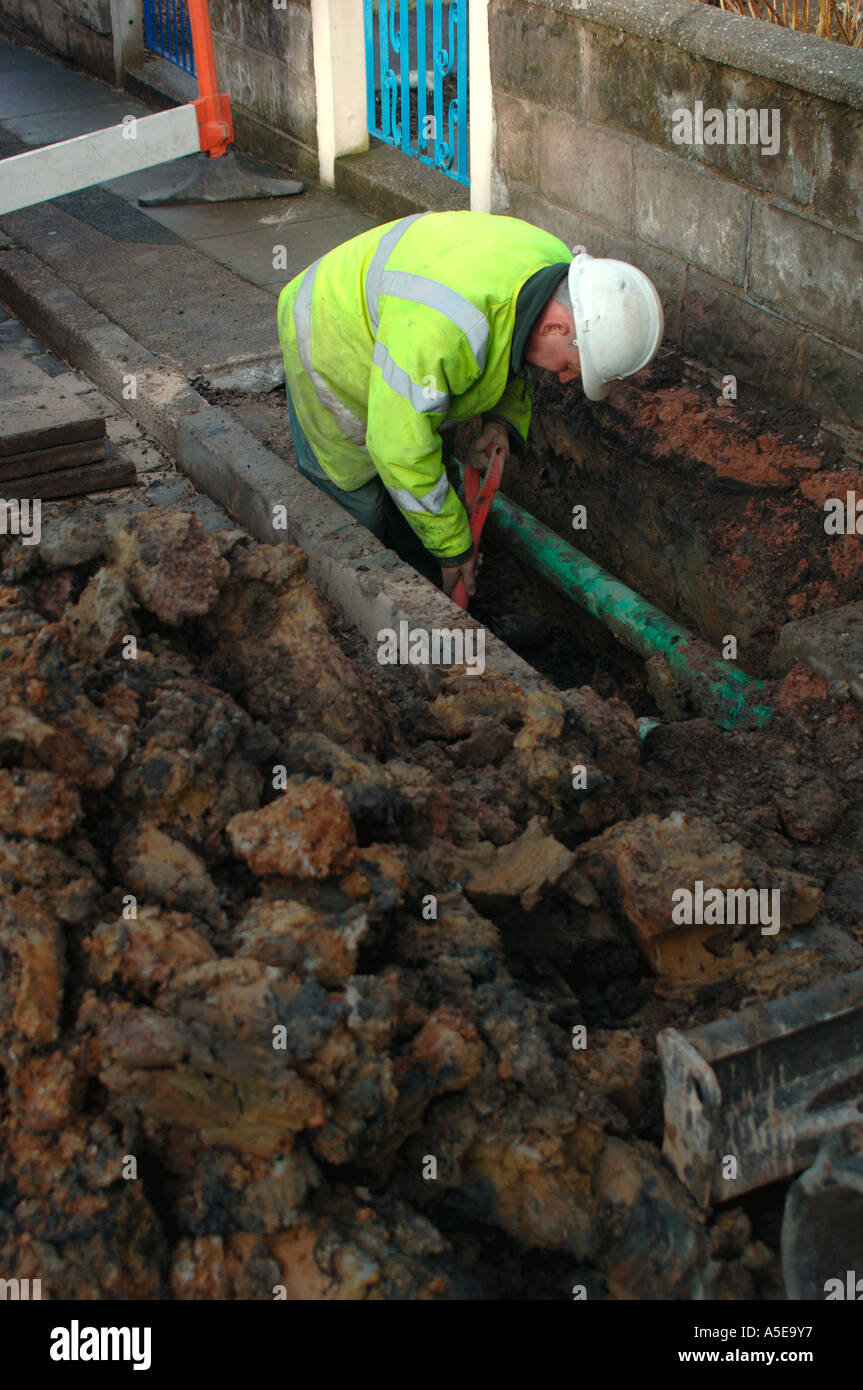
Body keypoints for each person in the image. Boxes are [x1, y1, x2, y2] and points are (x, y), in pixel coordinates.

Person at [277, 211, 663, 598]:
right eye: (569, 366)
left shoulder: (556, 274)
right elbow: (398, 446)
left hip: (403, 343)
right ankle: (353, 620)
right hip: (329, 333)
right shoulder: (442, 331)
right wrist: (453, 547)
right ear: (557, 328)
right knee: (360, 519)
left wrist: (502, 422)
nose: (564, 378)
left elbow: (513, 343)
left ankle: (423, 589)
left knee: (420, 492)